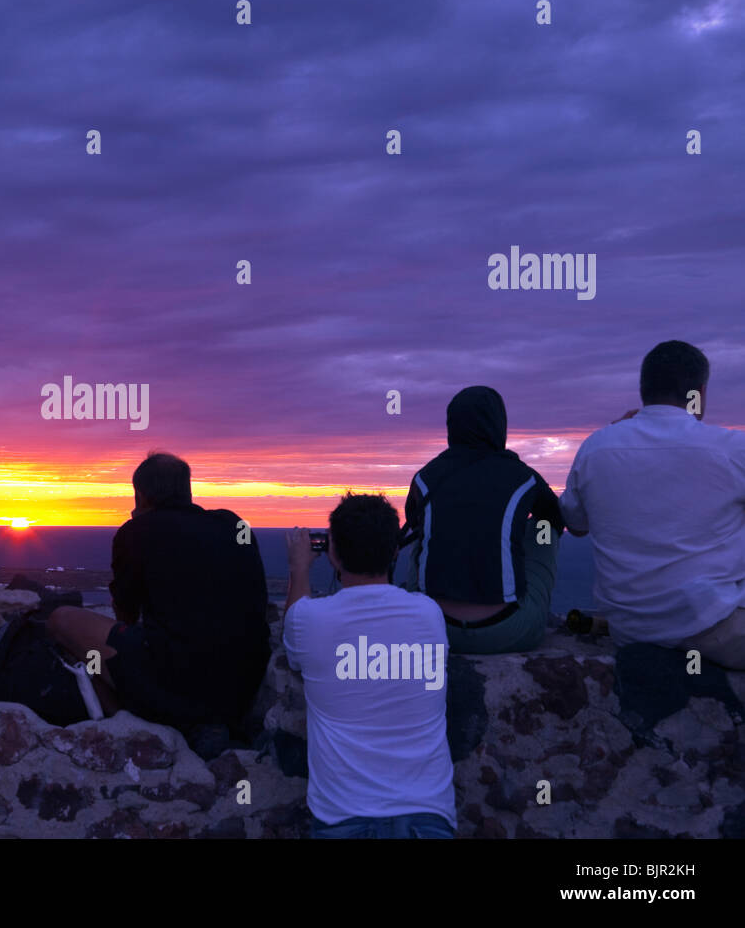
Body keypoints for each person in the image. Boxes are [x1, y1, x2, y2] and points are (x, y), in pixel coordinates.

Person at [46, 453, 271, 744]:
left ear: (140, 494)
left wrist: (136, 531)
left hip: (177, 682)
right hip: (242, 688)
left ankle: (136, 728)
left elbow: (124, 614)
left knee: (61, 621)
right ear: (187, 490)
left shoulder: (136, 532)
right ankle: (207, 724)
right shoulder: (234, 524)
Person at [560, 341, 745, 669]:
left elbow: (575, 525)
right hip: (712, 626)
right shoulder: (730, 449)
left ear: (643, 389)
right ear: (699, 392)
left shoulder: (596, 447)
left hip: (630, 629)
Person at [284, 493, 455, 838]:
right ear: (395, 551)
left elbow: (294, 636)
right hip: (427, 818)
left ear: (332, 552)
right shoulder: (428, 614)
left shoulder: (309, 620)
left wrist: (299, 568)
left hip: (343, 821)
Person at [400, 386, 563, 654]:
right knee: (542, 527)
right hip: (509, 631)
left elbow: (413, 522)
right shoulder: (524, 477)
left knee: (421, 534)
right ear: (500, 425)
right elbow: (555, 518)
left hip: (433, 629)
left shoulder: (425, 477)